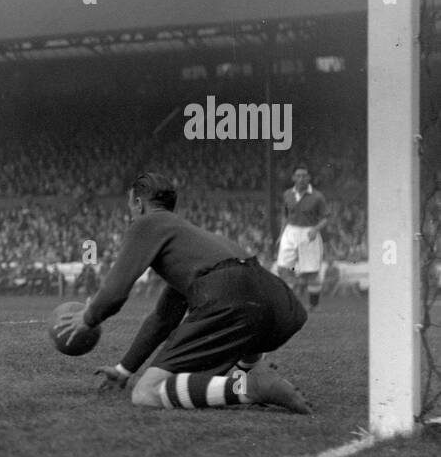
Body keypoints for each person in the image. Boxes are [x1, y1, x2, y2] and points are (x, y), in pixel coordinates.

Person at [54, 172, 311, 414]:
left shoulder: (146, 224)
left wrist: (87, 317)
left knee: (146, 392)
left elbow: (114, 293)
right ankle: (252, 370)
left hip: (230, 292)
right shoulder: (194, 242)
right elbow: (163, 319)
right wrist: (123, 370)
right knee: (239, 325)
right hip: (278, 301)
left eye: (130, 205)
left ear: (137, 202)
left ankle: (249, 387)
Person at [275, 164, 329, 309]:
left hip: (308, 233)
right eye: (298, 176)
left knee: (311, 271)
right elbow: (285, 216)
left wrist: (315, 229)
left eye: (304, 175)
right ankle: (288, 303)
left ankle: (313, 305)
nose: (301, 179)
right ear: (293, 178)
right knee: (284, 268)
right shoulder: (287, 194)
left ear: (309, 178)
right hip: (290, 231)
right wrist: (281, 234)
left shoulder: (317, 196)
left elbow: (325, 218)